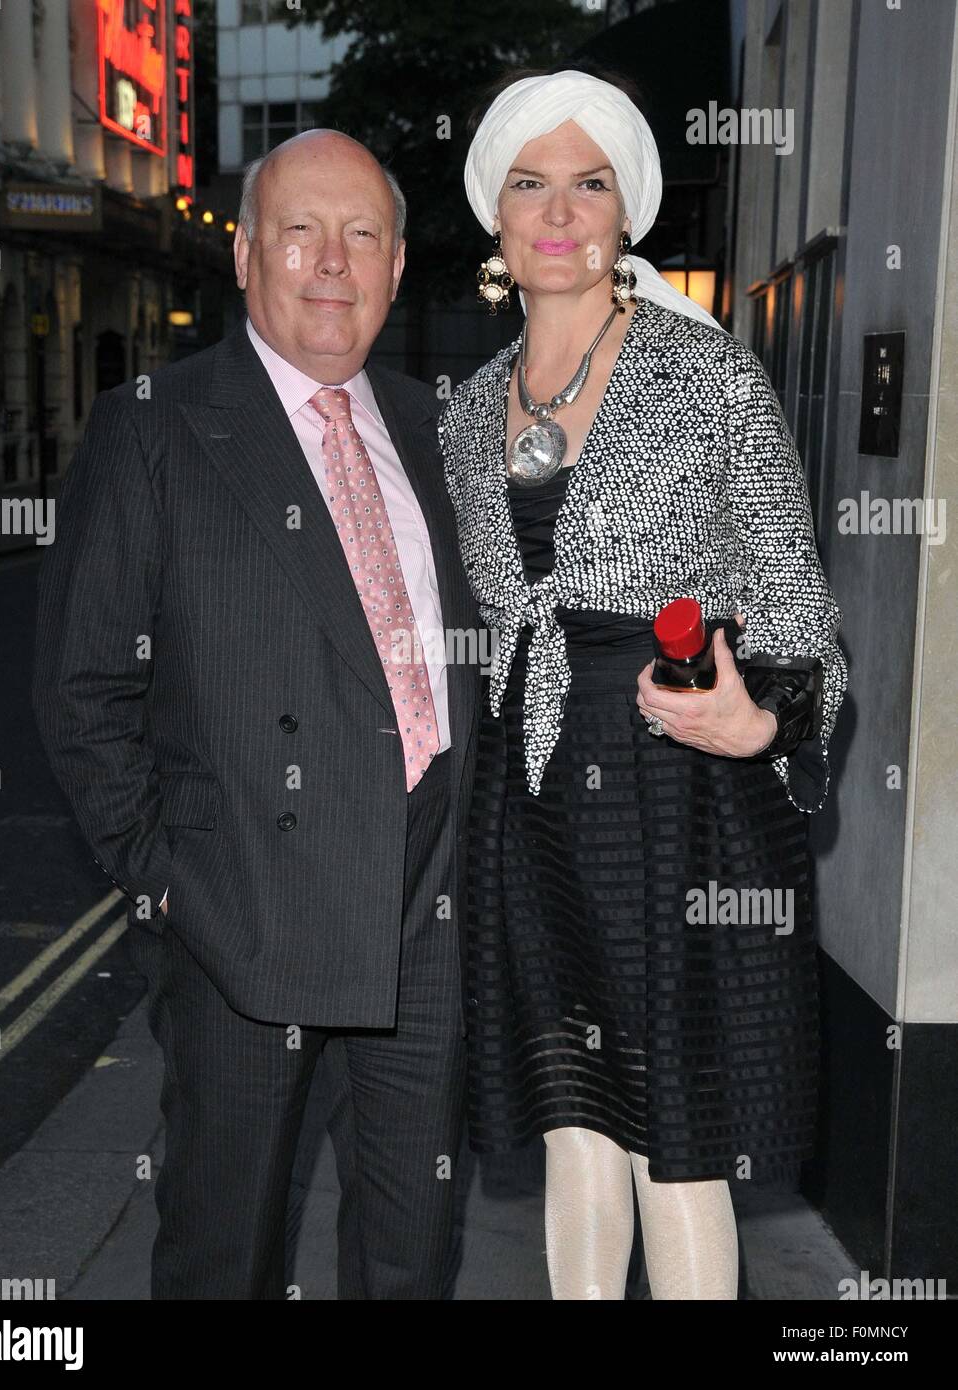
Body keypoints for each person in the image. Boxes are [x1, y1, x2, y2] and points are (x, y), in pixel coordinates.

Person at [33, 129, 482, 1300]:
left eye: (362, 236)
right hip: (245, 935)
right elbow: (84, 695)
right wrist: (174, 889)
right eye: (300, 231)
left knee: (413, 1255)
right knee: (224, 1257)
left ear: (395, 267)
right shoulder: (154, 427)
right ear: (246, 257)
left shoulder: (438, 431)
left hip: (425, 922)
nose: (331, 263)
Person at [437, 67, 848, 1301]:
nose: (558, 212)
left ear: (628, 214)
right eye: (530, 184)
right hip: (535, 800)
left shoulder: (711, 376)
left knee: (677, 1145)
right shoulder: (462, 415)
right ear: (495, 218)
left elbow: (799, 612)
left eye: (589, 183)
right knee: (575, 1125)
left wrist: (758, 718)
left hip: (681, 799)